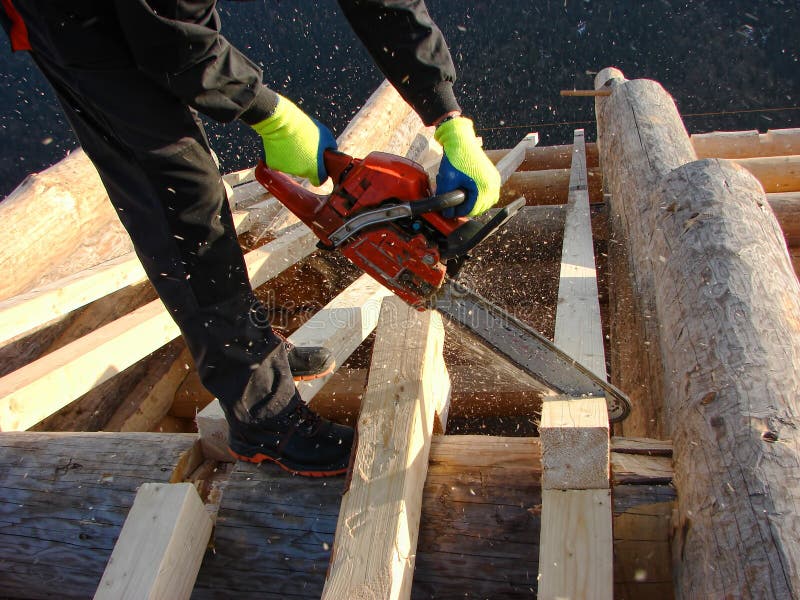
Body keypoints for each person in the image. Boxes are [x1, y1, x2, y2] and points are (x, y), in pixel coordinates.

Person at [1, 0, 501, 476]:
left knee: (192, 179)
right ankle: (262, 414)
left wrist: (448, 116)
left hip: (151, 16)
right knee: (180, 187)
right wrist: (265, 109)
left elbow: (387, 6)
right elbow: (170, 38)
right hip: (79, 16)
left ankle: (254, 348)